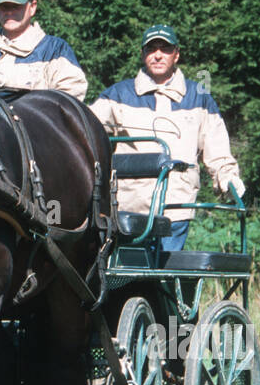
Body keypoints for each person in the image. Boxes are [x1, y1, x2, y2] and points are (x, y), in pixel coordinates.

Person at [90, 23, 245, 252]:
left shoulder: (198, 97)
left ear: (177, 55)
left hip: (177, 206)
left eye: (166, 49)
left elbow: (218, 150)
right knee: (129, 275)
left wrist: (228, 179)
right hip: (129, 207)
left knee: (164, 277)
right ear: (143, 55)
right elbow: (86, 131)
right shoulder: (118, 94)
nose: (158, 55)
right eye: (152, 49)